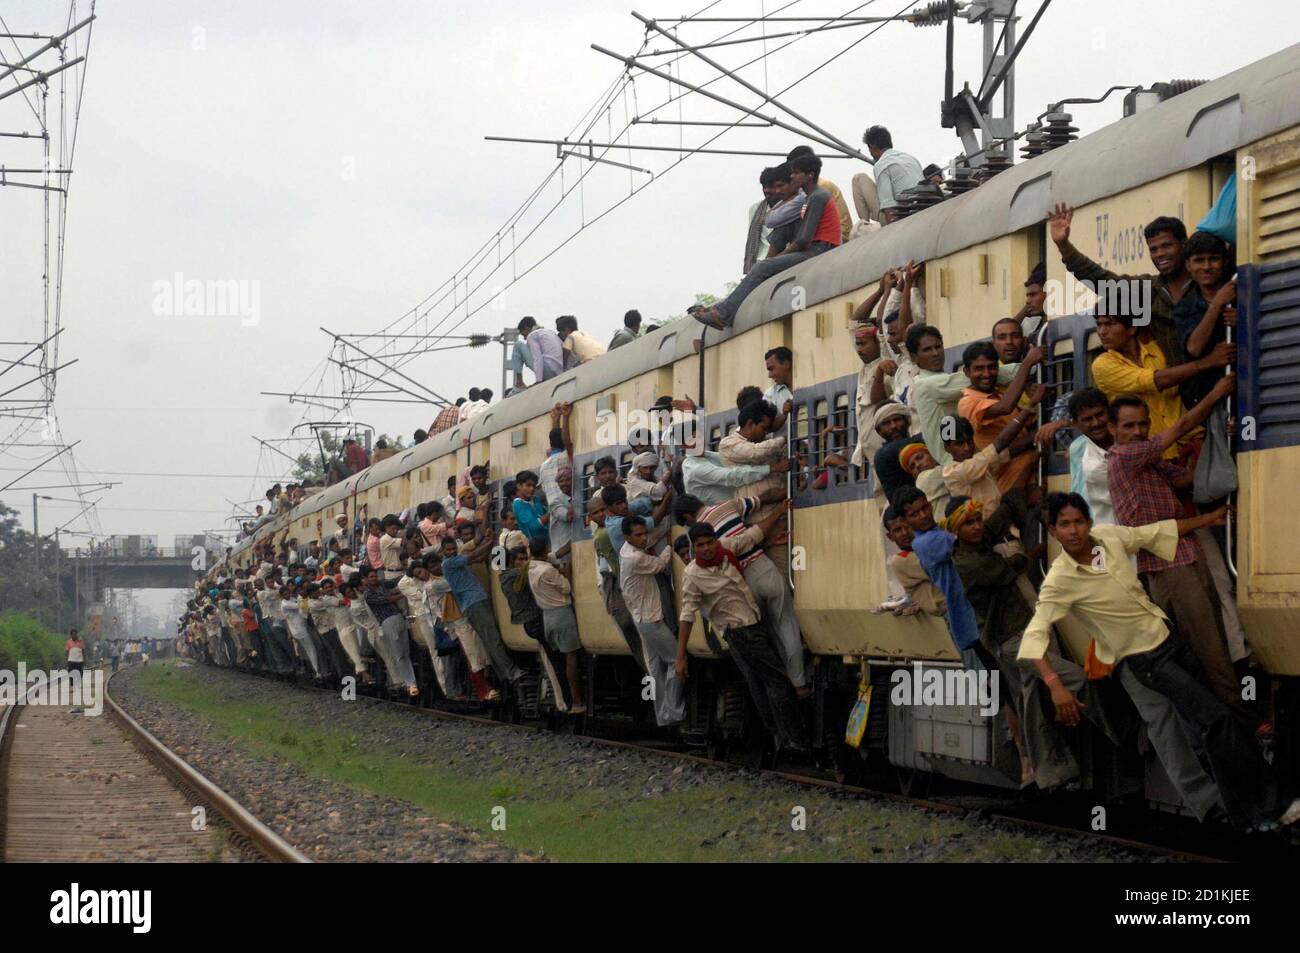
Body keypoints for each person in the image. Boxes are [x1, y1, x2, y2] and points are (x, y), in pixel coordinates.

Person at [1020, 493, 1300, 832]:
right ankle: (1269, 806)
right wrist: (1055, 686)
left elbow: (1157, 532)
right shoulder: (1060, 580)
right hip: (1148, 662)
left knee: (1213, 724)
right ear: (1052, 531)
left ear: (1089, 522)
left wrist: (1208, 519)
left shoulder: (1108, 538)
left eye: (1078, 521)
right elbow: (1033, 639)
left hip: (1170, 641)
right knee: (1216, 720)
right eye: (1064, 524)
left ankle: (1247, 812)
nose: (1073, 530)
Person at [946, 496, 1127, 789]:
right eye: (968, 523)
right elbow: (1011, 568)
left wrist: (1035, 506)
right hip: (1011, 641)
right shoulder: (967, 563)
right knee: (1074, 679)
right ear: (956, 530)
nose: (977, 527)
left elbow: (1005, 508)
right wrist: (1029, 551)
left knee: (1033, 702)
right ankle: (1115, 734)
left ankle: (1049, 773)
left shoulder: (980, 542)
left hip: (1024, 633)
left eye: (978, 520)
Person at [1106, 384, 1241, 707]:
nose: (1138, 432)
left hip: (1184, 555)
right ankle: (1236, 721)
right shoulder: (1124, 457)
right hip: (1170, 565)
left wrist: (1215, 440)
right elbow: (1180, 426)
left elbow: (1185, 478)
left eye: (1143, 424)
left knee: (1212, 642)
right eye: (1129, 426)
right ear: (1112, 430)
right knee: (1209, 651)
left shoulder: (1147, 461)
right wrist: (1215, 394)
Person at [676, 522, 806, 757]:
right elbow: (687, 615)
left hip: (753, 625)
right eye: (700, 545)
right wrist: (681, 656)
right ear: (694, 548)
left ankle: (779, 736)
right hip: (738, 632)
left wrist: (772, 534)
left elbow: (751, 537)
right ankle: (794, 737)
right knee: (777, 681)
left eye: (710, 542)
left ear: (716, 540)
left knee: (760, 682)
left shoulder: (726, 550)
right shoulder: (693, 574)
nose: (707, 549)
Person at [674, 491, 807, 695]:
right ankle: (799, 683)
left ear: (687, 518)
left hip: (744, 587)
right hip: (764, 569)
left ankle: (784, 684)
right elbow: (761, 505)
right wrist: (783, 502)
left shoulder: (698, 545)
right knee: (786, 623)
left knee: (767, 635)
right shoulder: (727, 506)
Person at [690, 153, 841, 330]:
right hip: (814, 248)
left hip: (820, 250)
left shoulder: (818, 197)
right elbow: (780, 223)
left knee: (763, 267)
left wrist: (777, 258)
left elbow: (803, 239)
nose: (792, 176)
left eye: (796, 173)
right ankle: (721, 307)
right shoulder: (809, 197)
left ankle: (723, 314)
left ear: (810, 175)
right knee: (780, 234)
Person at [1048, 203, 1192, 364]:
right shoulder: (1148, 289)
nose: (1160, 254)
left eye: (1167, 246)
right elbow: (1099, 278)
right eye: (1154, 249)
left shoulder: (1203, 284)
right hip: (1177, 378)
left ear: (1184, 245)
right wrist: (1063, 245)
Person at [1090, 300, 1233, 459]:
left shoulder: (1159, 351)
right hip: (1152, 457)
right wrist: (1210, 361)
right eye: (1099, 325)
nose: (1102, 332)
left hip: (1192, 447)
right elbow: (1158, 380)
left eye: (1109, 324)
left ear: (1132, 328)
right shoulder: (1102, 365)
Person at [891, 486, 982, 669]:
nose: (923, 515)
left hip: (973, 611)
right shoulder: (925, 542)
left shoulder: (938, 531)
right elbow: (967, 541)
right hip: (966, 617)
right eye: (915, 514)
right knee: (988, 674)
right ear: (906, 520)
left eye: (925, 508)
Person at [908, 325, 1020, 466]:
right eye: (927, 350)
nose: (935, 353)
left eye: (938, 347)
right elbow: (984, 376)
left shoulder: (934, 380)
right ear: (914, 357)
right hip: (957, 464)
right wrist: (1029, 366)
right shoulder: (927, 384)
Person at [439, 513, 524, 687]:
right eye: (448, 550)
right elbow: (473, 556)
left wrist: (489, 545)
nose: (452, 551)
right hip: (474, 602)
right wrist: (489, 542)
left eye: (453, 549)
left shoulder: (456, 560)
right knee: (492, 638)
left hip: (476, 601)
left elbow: (477, 558)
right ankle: (511, 672)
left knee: (490, 638)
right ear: (443, 551)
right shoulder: (449, 563)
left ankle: (504, 674)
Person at [618, 515, 686, 726]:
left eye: (644, 533)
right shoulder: (634, 558)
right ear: (627, 537)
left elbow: (648, 544)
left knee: (656, 666)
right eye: (638, 535)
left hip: (643, 617)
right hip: (650, 618)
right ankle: (673, 711)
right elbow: (660, 565)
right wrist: (670, 545)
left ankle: (663, 715)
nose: (644, 538)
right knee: (676, 659)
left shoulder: (626, 550)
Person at [956, 341, 1046, 492]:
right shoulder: (967, 403)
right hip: (1009, 486)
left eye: (991, 367)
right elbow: (1006, 407)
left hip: (1029, 475)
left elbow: (1023, 427)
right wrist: (1027, 363)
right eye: (979, 368)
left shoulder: (999, 395)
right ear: (967, 372)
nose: (986, 374)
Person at [1173, 231, 1237, 409]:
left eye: (1213, 259)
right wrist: (1217, 304)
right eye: (1199, 260)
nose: (1207, 266)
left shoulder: (1243, 294)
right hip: (1209, 398)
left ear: (1225, 262)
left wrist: (1246, 321)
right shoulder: (1185, 307)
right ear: (1188, 265)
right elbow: (1194, 348)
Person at [525, 537, 586, 714]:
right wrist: (567, 569)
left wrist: (571, 544)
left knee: (559, 662)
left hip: (547, 617)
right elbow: (566, 587)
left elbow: (554, 555)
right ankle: (576, 702)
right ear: (545, 549)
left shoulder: (530, 568)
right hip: (562, 616)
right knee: (571, 660)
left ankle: (565, 701)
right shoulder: (548, 570)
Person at [360, 566, 420, 696]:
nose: (374, 578)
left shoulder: (382, 584)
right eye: (371, 577)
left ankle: (411, 681)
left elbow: (394, 582)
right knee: (398, 654)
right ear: (366, 579)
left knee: (405, 652)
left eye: (375, 576)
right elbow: (387, 599)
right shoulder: (368, 594)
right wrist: (405, 593)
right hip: (387, 622)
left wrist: (408, 573)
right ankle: (408, 683)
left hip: (399, 617)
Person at [786, 145, 852, 243]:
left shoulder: (821, 188)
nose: (791, 176)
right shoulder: (805, 191)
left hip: (836, 236)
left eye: (796, 172)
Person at [862, 125, 923, 223]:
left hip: (902, 215)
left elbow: (888, 204)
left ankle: (864, 224)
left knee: (859, 178)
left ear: (872, 146)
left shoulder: (881, 165)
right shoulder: (911, 158)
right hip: (922, 208)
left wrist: (893, 228)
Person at [744, 166, 783, 274]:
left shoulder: (790, 207)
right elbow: (753, 239)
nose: (766, 190)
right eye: (764, 187)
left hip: (781, 259)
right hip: (759, 263)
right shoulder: (756, 209)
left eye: (770, 186)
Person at [515, 316, 565, 387]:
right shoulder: (550, 332)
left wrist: (538, 381)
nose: (525, 338)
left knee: (518, 345)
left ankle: (519, 382)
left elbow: (538, 358)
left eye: (524, 335)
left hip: (548, 371)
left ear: (526, 328)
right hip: (559, 371)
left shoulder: (532, 335)